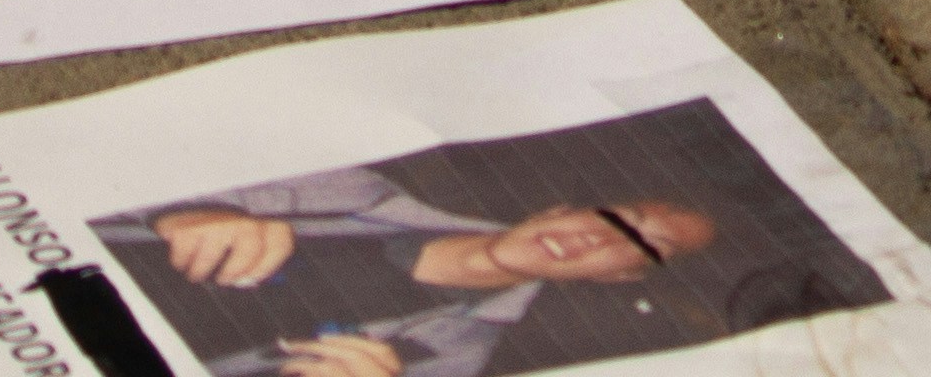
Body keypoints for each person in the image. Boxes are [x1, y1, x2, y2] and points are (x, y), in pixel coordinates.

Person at [117, 172, 725, 377]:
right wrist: (184, 208)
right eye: (623, 217)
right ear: (559, 211)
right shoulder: (355, 189)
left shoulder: (452, 360)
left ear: (615, 279)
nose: (604, 238)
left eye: (646, 248)